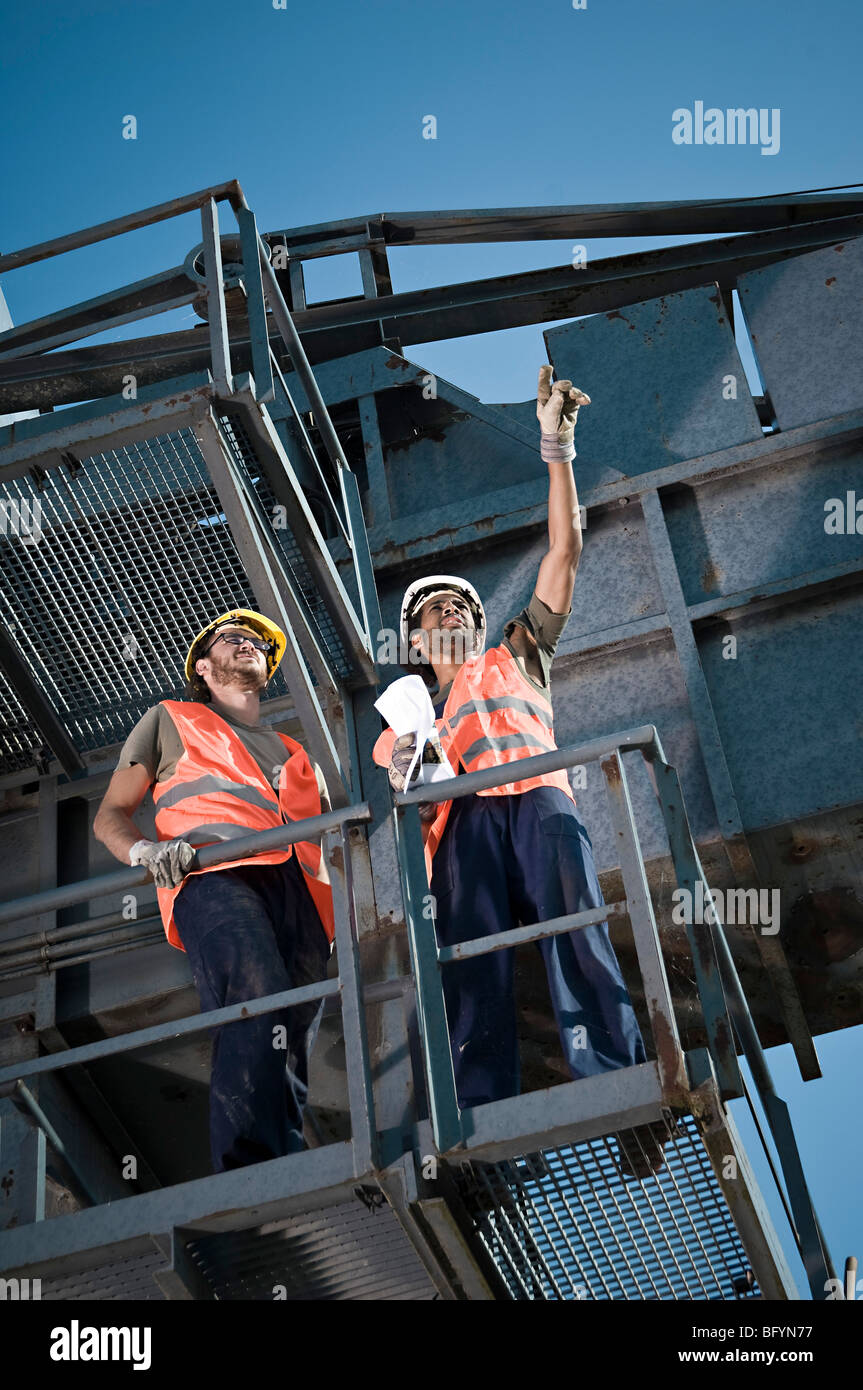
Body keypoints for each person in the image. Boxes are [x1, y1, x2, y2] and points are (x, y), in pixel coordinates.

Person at [373, 368, 663, 1177]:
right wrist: (407, 755)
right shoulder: (407, 708)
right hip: (464, 826)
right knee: (472, 968)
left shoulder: (517, 654)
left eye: (461, 608)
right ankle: (482, 1143)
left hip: (539, 800)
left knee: (577, 930)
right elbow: (400, 778)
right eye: (434, 613)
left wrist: (556, 445)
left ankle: (620, 1091)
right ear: (415, 640)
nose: (453, 617)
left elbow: (564, 549)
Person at [93, 608, 333, 1173]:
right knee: (257, 989)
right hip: (213, 875)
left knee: (293, 1019)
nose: (248, 643)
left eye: (257, 642)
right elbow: (110, 814)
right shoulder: (171, 720)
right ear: (203, 666)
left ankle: (282, 1158)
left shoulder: (292, 751)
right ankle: (246, 1165)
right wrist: (144, 853)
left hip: (295, 891)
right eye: (232, 639)